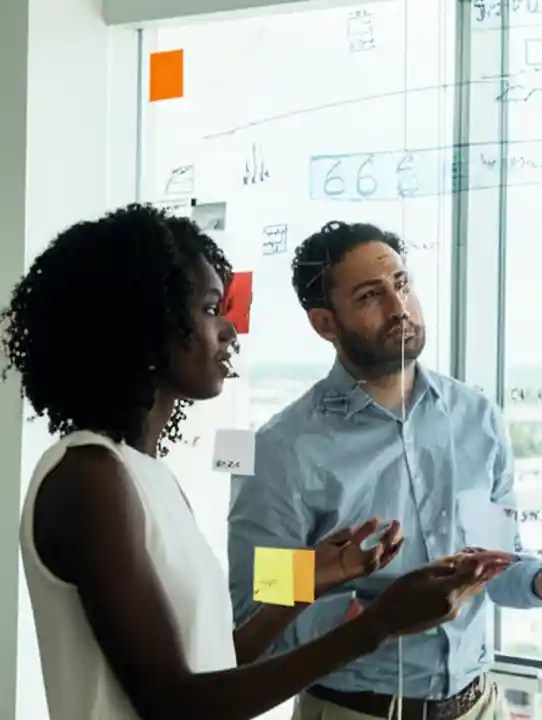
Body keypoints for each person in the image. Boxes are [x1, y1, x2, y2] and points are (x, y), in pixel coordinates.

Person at [2, 205, 513, 720]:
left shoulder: (146, 476)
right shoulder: (93, 480)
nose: (228, 330)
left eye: (400, 283)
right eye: (207, 310)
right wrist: (376, 624)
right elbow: (176, 702)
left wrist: (311, 578)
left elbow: (221, 656)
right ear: (145, 328)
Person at [227, 221, 542, 720]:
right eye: (369, 296)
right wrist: (374, 615)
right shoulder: (284, 450)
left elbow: (495, 562)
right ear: (325, 324)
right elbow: (258, 608)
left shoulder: (476, 419)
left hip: (479, 707)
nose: (398, 307)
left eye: (401, 284)